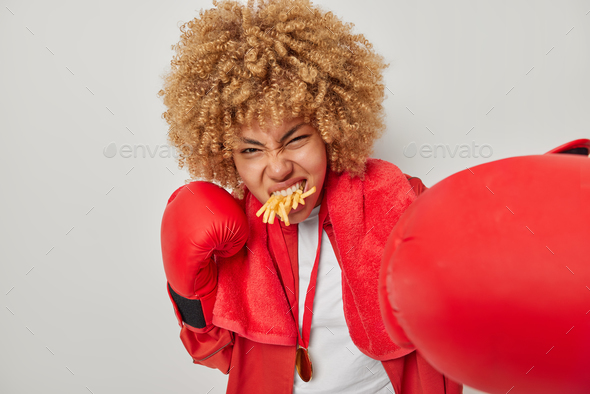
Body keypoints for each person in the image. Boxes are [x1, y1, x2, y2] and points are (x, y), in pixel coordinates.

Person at [158, 0, 463, 393]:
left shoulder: (399, 202)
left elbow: (477, 300)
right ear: (227, 157)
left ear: (329, 131)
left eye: (296, 139)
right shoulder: (228, 238)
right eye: (251, 150)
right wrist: (187, 290)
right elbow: (215, 355)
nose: (279, 168)